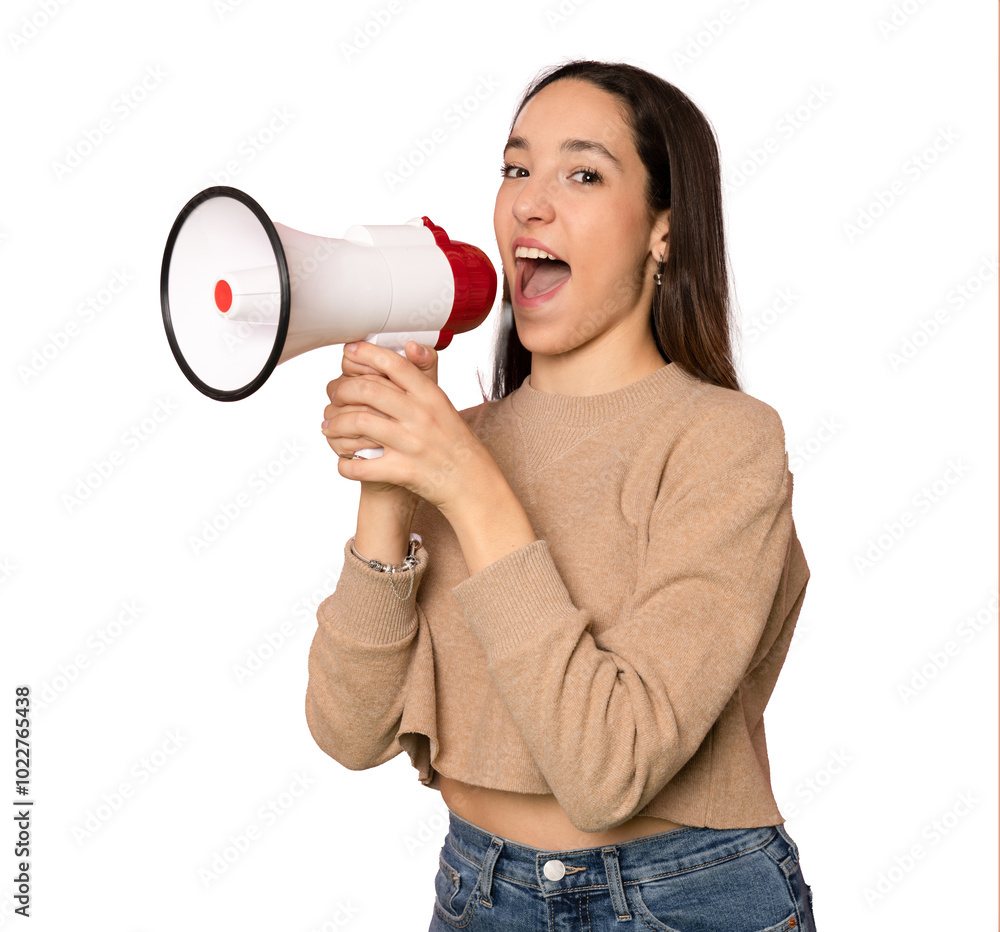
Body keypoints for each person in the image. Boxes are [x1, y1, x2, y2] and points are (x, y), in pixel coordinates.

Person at [308, 59, 817, 931]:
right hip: (477, 891)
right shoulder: (457, 442)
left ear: (664, 231)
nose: (530, 204)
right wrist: (388, 492)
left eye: (582, 174)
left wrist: (466, 483)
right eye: (516, 168)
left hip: (680, 899)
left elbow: (608, 773)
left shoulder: (728, 442)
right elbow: (349, 733)